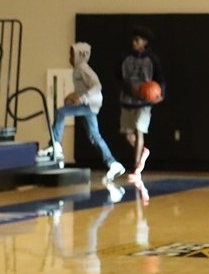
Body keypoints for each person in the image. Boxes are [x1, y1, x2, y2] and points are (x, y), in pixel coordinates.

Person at [42, 42, 127, 182]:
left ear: (79, 55)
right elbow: (83, 89)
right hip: (90, 105)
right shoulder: (77, 70)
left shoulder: (83, 68)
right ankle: (113, 163)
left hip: (90, 104)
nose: (69, 57)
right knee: (94, 137)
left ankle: (55, 144)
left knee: (60, 112)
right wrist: (73, 95)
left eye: (71, 54)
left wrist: (82, 99)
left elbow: (96, 86)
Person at [120, 26, 163, 180]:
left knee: (139, 131)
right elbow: (119, 77)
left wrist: (160, 94)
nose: (134, 42)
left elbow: (159, 79)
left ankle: (136, 168)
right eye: (133, 39)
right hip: (127, 100)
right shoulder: (125, 57)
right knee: (127, 133)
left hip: (144, 102)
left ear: (145, 42)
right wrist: (128, 88)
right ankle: (144, 151)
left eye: (137, 40)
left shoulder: (152, 59)